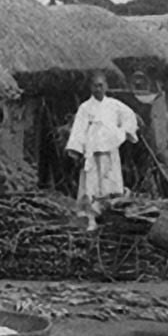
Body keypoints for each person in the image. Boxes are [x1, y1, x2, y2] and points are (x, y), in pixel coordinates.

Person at [65, 70, 139, 230]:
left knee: (110, 183)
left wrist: (123, 132)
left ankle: (109, 215)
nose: (98, 89)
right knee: (91, 184)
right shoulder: (85, 108)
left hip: (110, 151)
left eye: (100, 85)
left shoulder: (114, 105)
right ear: (90, 88)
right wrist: (76, 148)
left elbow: (130, 116)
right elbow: (79, 129)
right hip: (92, 151)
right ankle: (90, 217)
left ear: (106, 86)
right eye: (95, 86)